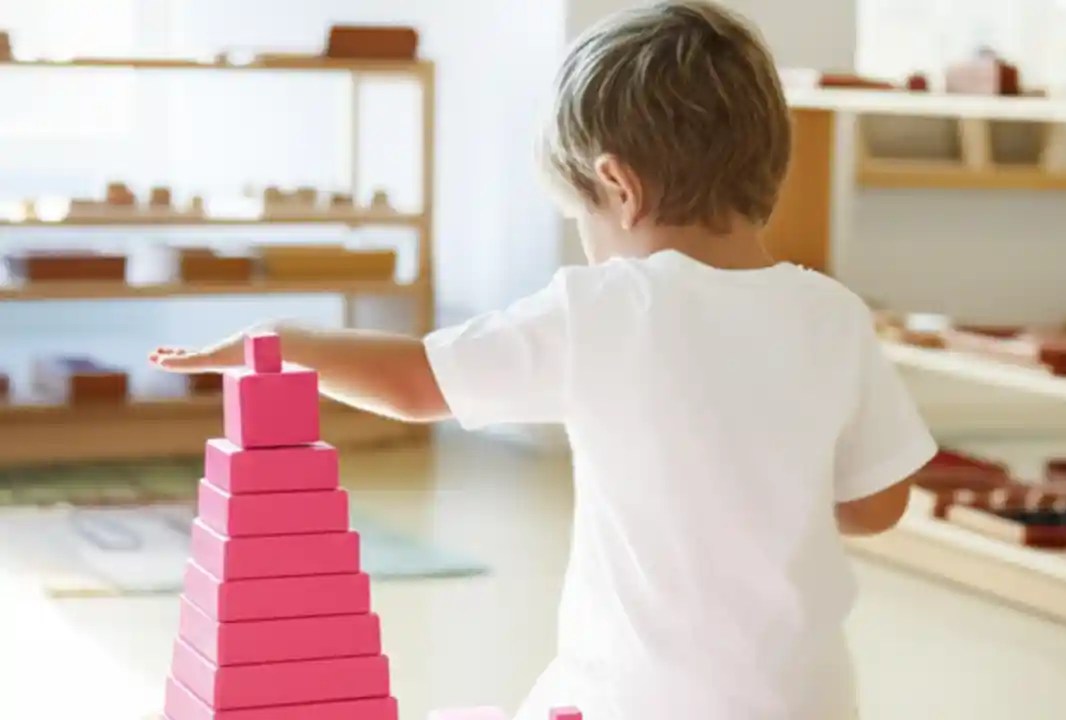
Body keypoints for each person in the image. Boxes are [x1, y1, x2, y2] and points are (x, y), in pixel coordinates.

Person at [151, 2, 937, 718]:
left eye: (579, 217)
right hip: (810, 703)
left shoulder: (607, 309)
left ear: (617, 186)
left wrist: (290, 339)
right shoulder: (833, 314)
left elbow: (416, 384)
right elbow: (878, 504)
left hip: (633, 702)